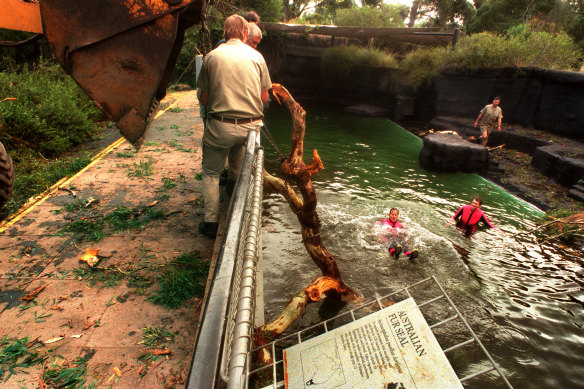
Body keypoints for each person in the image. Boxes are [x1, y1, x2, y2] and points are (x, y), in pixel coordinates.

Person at [197, 14, 272, 238]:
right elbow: (264, 97)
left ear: (224, 32)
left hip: (220, 127)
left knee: (210, 173)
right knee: (241, 172)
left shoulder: (212, 57)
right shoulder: (257, 57)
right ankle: (239, 217)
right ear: (245, 33)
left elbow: (204, 99)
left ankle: (210, 223)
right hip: (250, 129)